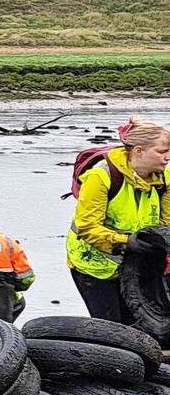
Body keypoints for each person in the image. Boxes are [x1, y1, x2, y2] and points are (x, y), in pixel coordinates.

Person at [66, 118, 169, 323]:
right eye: (161, 152)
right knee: (110, 326)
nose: (167, 158)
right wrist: (127, 242)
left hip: (137, 263)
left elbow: (166, 224)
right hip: (94, 265)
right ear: (139, 151)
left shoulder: (165, 178)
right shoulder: (101, 176)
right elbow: (87, 227)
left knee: (143, 325)